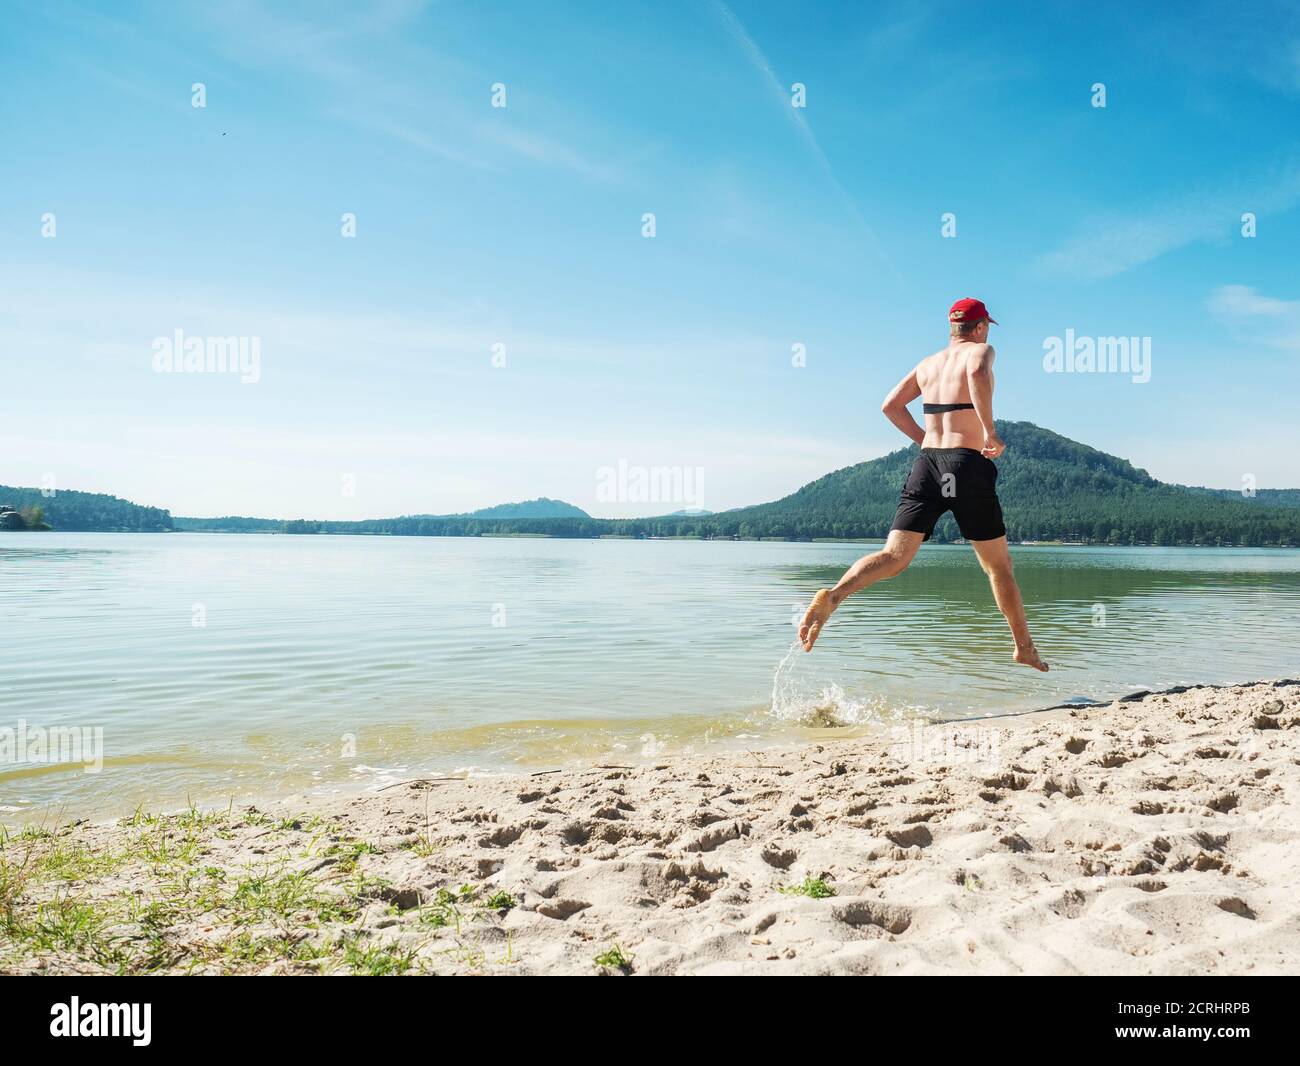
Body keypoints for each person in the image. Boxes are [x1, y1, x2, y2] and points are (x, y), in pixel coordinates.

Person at [797, 298, 1048, 671]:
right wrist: (990, 431)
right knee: (999, 566)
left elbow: (890, 406)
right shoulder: (981, 351)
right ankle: (1023, 646)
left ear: (952, 327)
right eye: (987, 328)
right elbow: (978, 371)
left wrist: (924, 439)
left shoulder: (928, 364)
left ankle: (834, 596)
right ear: (980, 328)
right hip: (966, 464)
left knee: (894, 557)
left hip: (928, 465)